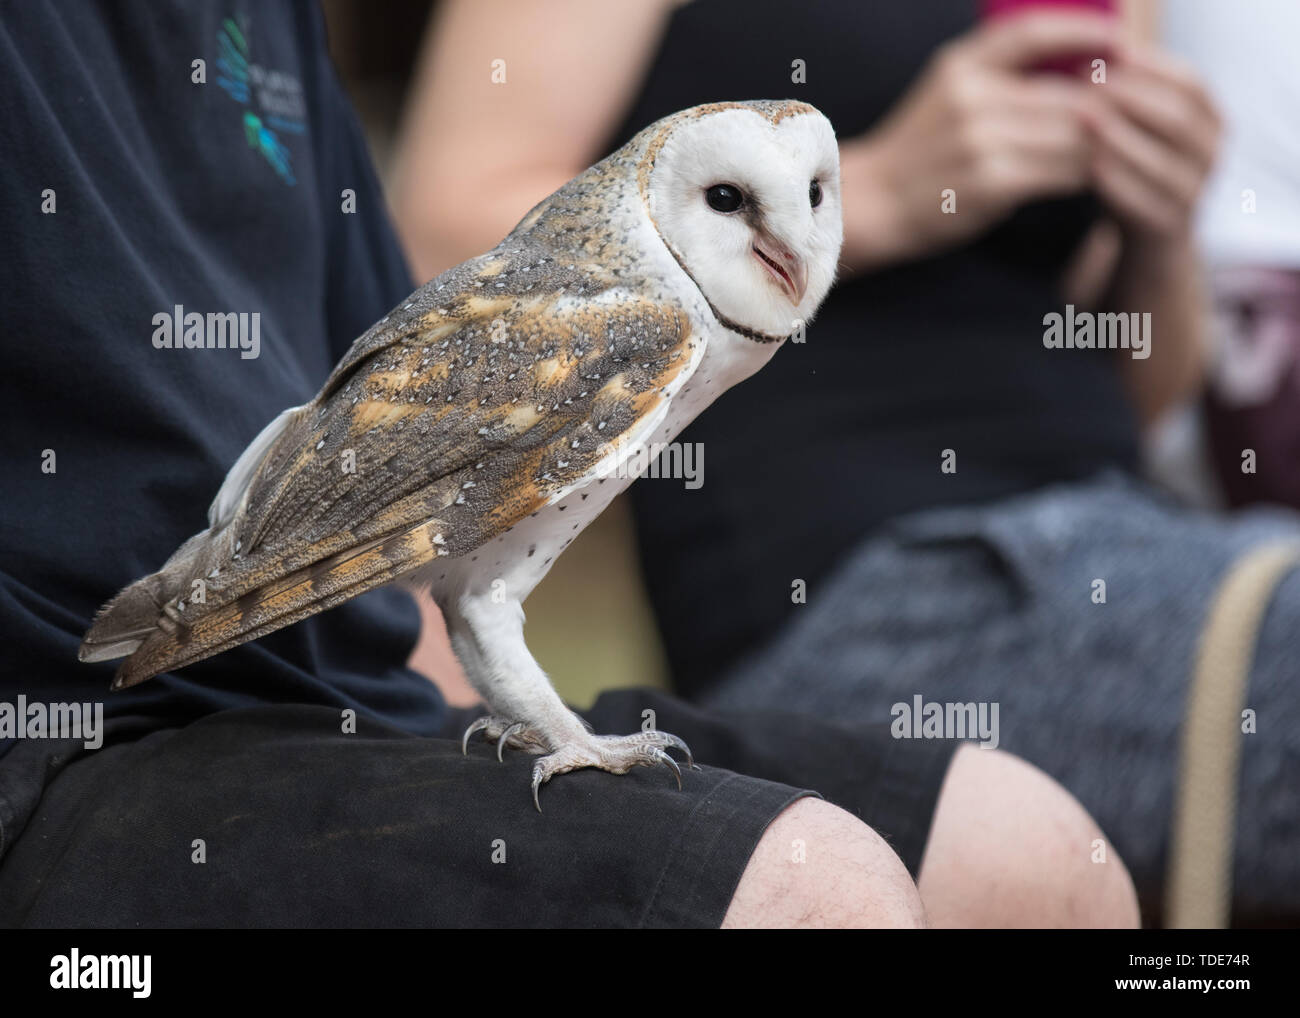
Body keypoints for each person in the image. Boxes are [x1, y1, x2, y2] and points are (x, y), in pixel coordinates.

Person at [0, 1, 1136, 929]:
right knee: (815, 893)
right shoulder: (630, 331)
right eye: (732, 202)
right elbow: (441, 549)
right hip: (80, 737)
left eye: (812, 203)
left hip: (346, 678)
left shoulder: (273, 27)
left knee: (1041, 854)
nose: (785, 241)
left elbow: (354, 396)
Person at [390, 0, 1299, 922]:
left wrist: (1161, 228)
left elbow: (1143, 397)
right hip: (848, 588)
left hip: (1129, 548)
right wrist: (881, 191)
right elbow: (441, 240)